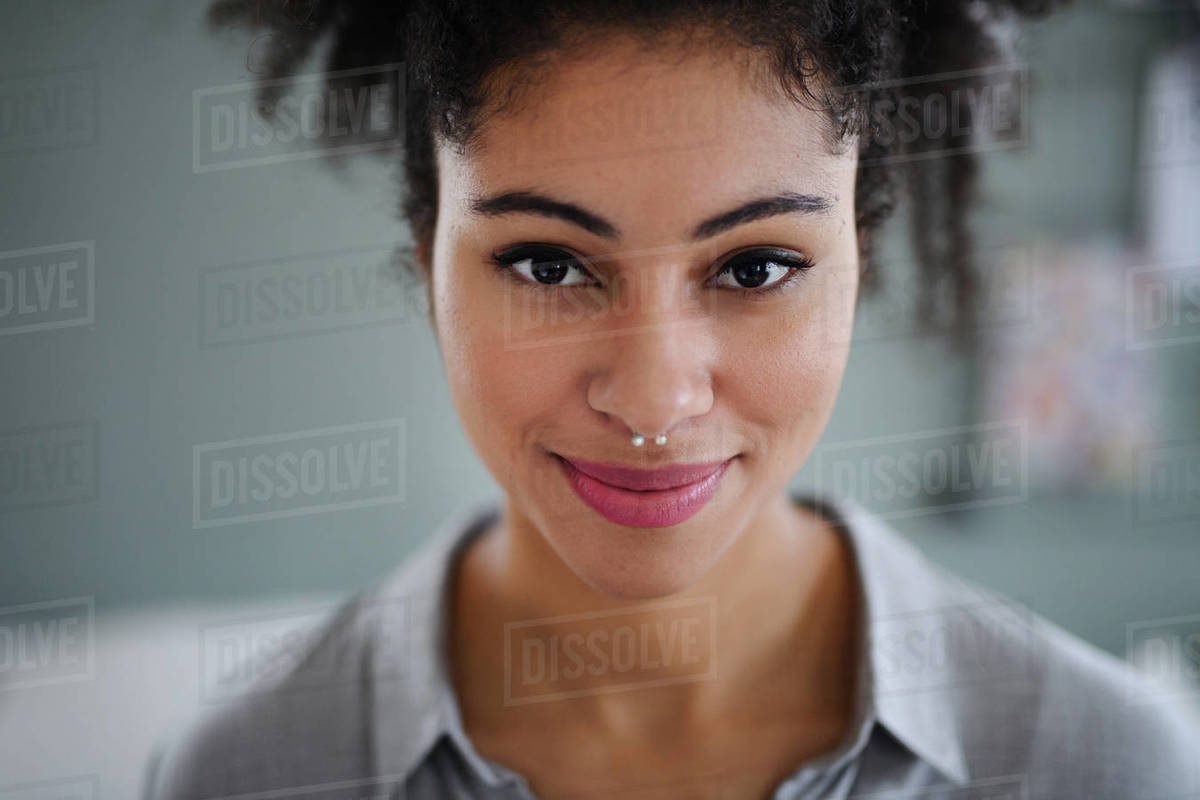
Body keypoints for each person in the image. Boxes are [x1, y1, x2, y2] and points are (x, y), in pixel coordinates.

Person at [144, 1, 1200, 798]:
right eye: (549, 266)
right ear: (431, 272)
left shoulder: (1109, 763)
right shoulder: (246, 772)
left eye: (754, 268)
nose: (653, 398)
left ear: (858, 263)